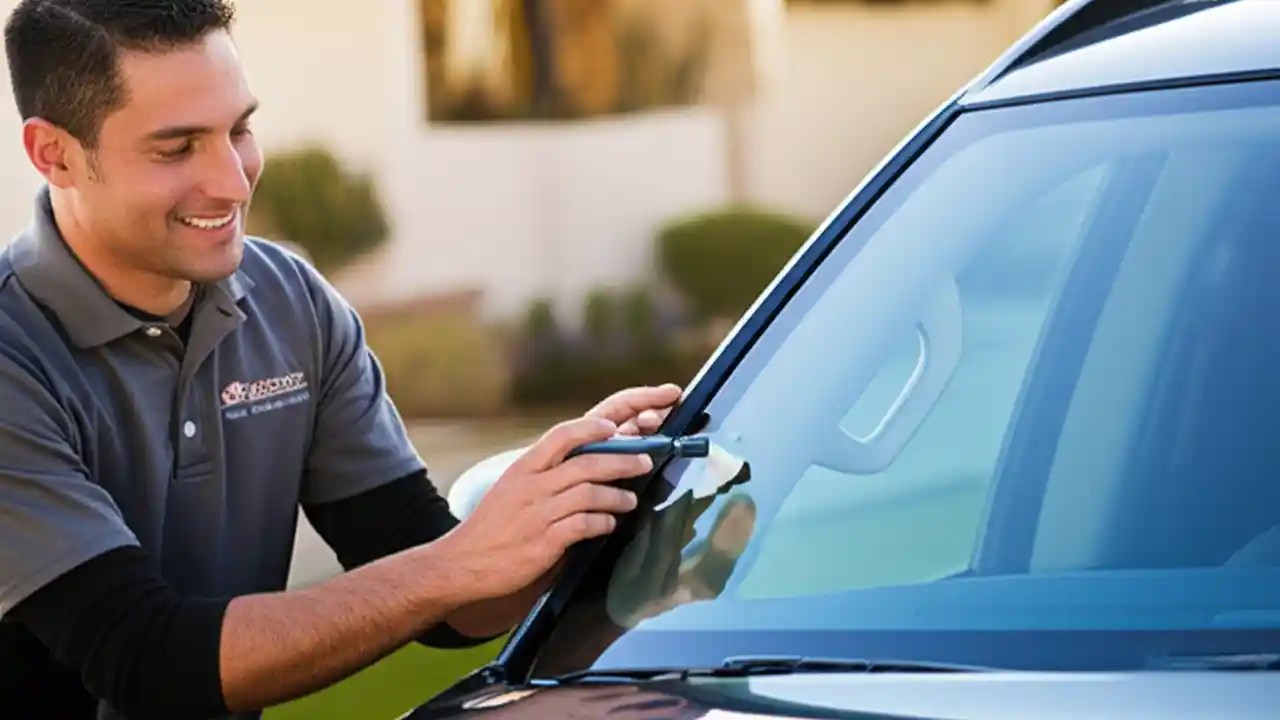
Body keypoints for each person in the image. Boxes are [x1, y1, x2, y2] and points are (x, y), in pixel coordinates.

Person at [0, 1, 683, 718]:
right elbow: (149, 660)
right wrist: (456, 564)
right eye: (177, 149)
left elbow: (449, 605)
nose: (233, 181)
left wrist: (576, 502)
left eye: (239, 130)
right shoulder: (15, 355)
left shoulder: (289, 301)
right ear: (56, 154)